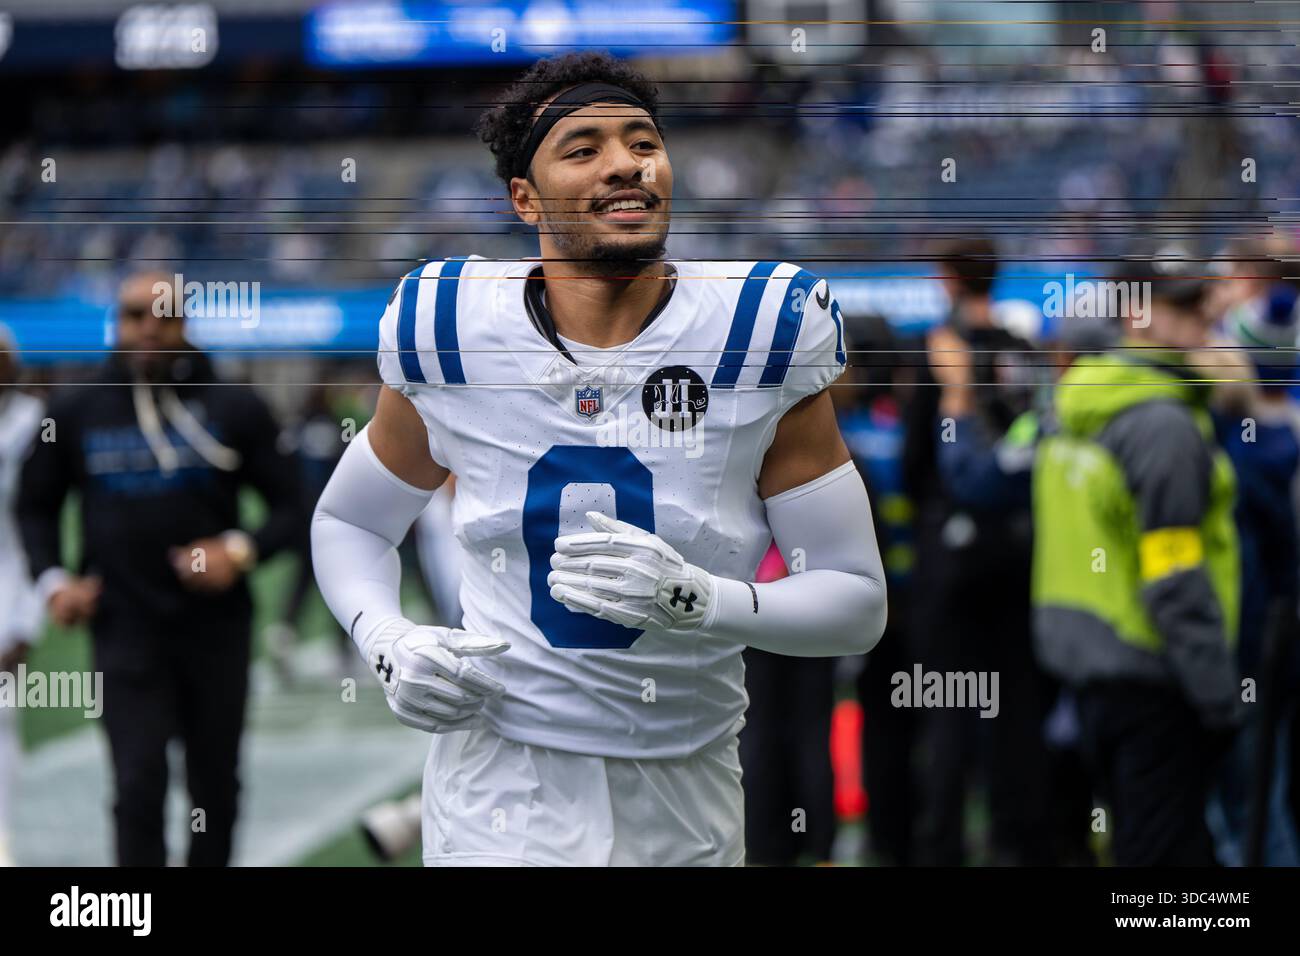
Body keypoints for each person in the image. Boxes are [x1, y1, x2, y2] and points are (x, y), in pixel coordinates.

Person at [311, 51, 888, 867]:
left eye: (642, 141)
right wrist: (386, 637)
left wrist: (697, 599)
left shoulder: (760, 329)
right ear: (524, 197)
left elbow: (857, 600)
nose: (625, 164)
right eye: (582, 149)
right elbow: (350, 521)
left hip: (683, 790)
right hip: (499, 788)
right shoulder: (450, 329)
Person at [17, 270, 303, 866]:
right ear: (116, 324)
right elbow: (35, 505)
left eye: (163, 315)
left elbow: (295, 505)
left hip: (215, 630)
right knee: (138, 784)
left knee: (215, 788)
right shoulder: (76, 410)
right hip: (124, 628)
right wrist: (53, 581)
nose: (148, 328)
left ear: (185, 322)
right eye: (133, 316)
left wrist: (239, 550)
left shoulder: (232, 405)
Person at [1032, 252, 1243, 866]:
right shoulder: (1161, 422)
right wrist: (1217, 694)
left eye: (1200, 299)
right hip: (1159, 671)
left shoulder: (1077, 406)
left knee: (1143, 850)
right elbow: (1174, 572)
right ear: (1136, 316)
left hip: (1093, 664)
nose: (1203, 312)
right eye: (1181, 303)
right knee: (1164, 868)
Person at [900, 237, 1048, 865]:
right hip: (1018, 550)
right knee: (1017, 706)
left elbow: (915, 462)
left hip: (951, 555)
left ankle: (942, 846)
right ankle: (1017, 842)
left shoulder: (937, 349)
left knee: (948, 704)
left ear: (946, 278)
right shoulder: (1024, 353)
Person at [0, 329, 44, 867]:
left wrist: (27, 621)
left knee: (1, 715)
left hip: (10, 583)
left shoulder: (36, 425)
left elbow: (40, 524)